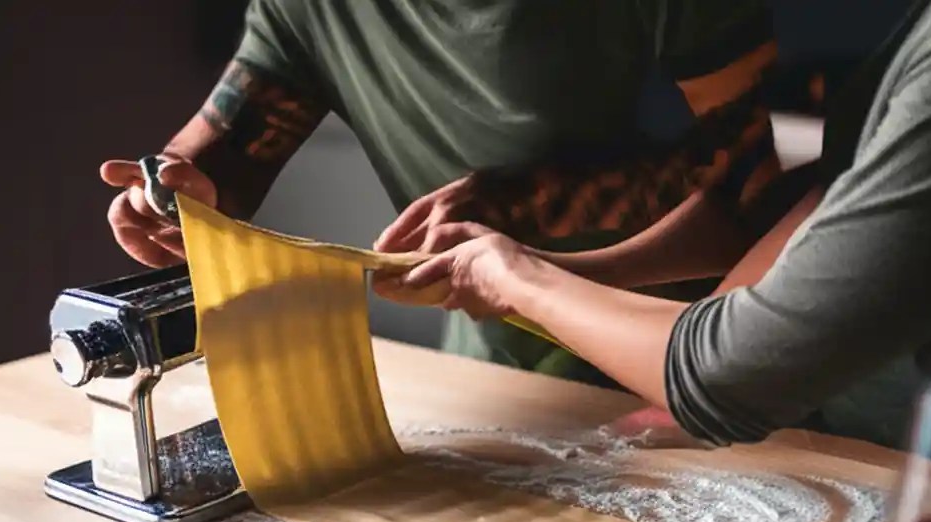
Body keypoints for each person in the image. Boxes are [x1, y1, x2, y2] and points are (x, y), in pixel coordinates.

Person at [381, 0, 931, 503]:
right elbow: (812, 208)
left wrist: (516, 278)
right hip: (879, 478)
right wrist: (547, 270)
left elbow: (733, 371)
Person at [99, 0, 790, 388]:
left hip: (695, 345)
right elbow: (222, 158)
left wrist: (535, 208)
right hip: (495, 364)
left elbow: (776, 171)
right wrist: (171, 191)